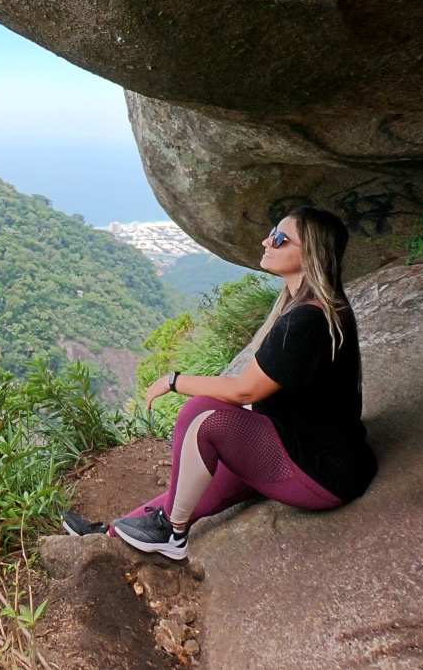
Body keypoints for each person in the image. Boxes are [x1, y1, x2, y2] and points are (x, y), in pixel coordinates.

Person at [65, 206, 377, 559]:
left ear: (310, 254)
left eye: (279, 238)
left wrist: (174, 381)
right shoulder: (313, 308)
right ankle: (109, 535)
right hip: (302, 451)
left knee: (201, 415)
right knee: (193, 484)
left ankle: (172, 533)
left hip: (320, 472)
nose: (266, 241)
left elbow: (246, 391)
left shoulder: (306, 321)